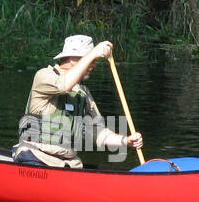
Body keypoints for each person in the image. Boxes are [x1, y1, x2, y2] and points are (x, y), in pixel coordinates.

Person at [13, 35, 143, 167]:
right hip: (36, 157)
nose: (94, 65)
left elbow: (98, 132)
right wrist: (93, 53)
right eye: (91, 60)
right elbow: (63, 85)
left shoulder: (83, 93)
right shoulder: (44, 76)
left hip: (68, 162)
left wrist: (126, 140)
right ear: (73, 60)